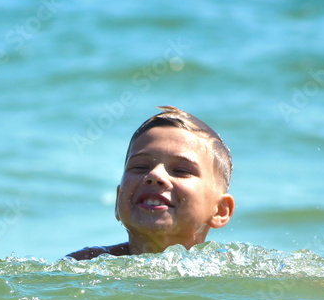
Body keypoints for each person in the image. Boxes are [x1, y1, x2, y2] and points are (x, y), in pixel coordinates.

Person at [67, 106, 235, 261]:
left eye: (181, 170)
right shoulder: (84, 264)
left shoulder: (227, 271)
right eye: (140, 166)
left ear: (220, 210)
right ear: (118, 200)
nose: (154, 175)